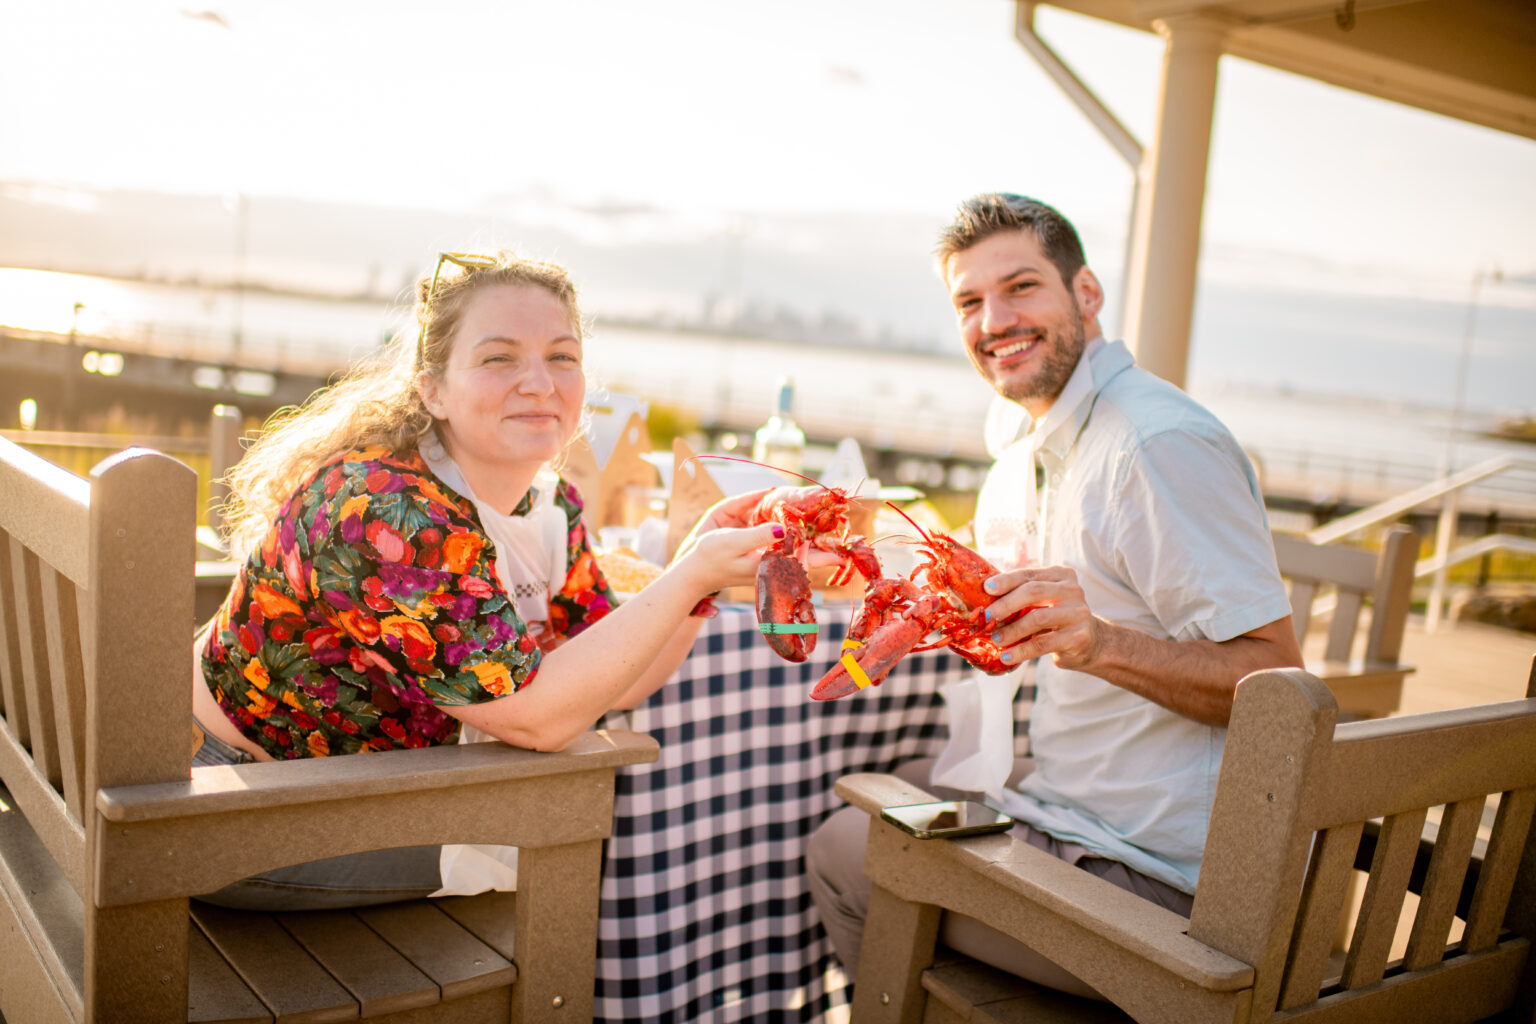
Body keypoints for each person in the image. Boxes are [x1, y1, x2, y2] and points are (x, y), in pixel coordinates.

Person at [192, 249, 799, 909]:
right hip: (238, 811)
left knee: (602, 825)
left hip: (359, 789)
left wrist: (699, 568)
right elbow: (538, 720)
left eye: (562, 357)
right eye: (499, 357)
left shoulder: (549, 502)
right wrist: (687, 575)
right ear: (433, 387)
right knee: (592, 842)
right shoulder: (386, 507)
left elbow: (616, 679)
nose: (539, 382)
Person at [807, 194, 1302, 996]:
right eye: (970, 302)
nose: (994, 320)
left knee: (843, 846)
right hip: (1078, 799)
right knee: (906, 770)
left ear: (1088, 295)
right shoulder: (1043, 442)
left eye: (1022, 287)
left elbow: (1277, 682)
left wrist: (1099, 642)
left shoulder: (1151, 444)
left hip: (1176, 886)